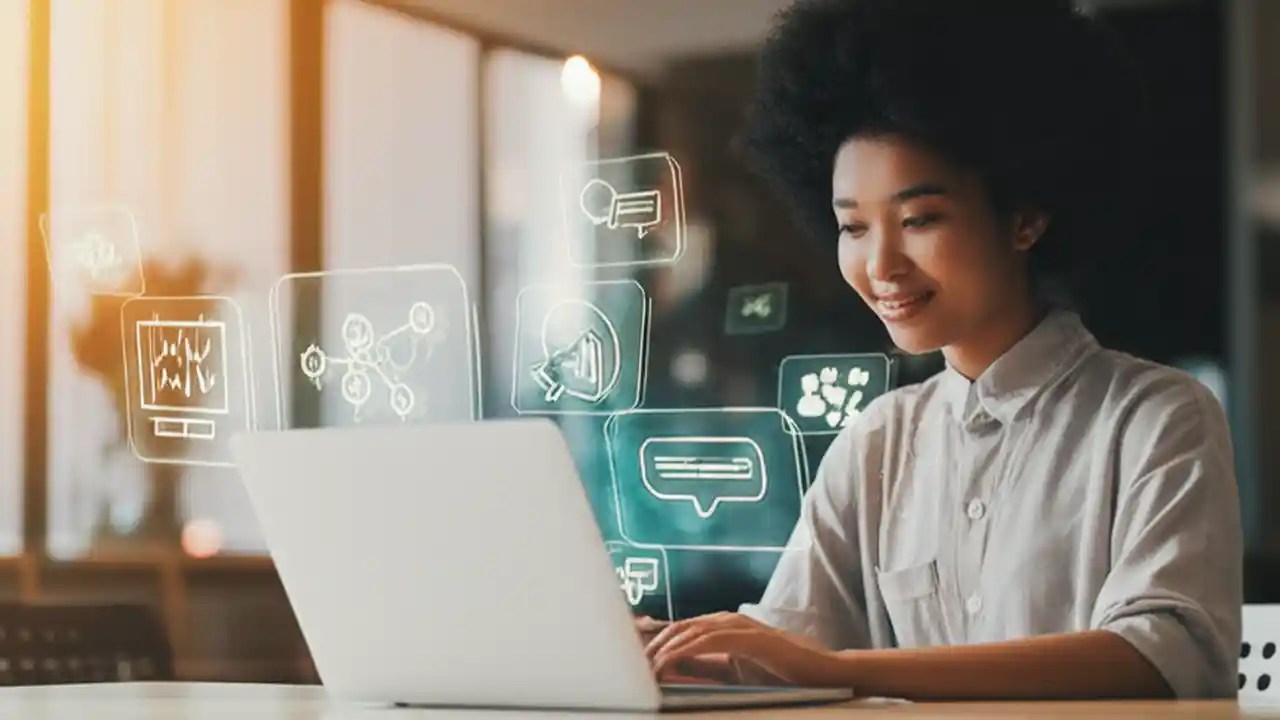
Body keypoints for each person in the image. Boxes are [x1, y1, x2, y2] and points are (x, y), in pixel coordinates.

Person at [641, 0, 1242, 700]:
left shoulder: (1157, 419)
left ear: (1025, 214)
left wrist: (844, 670)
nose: (881, 264)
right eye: (854, 228)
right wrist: (662, 648)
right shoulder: (878, 443)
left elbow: (1160, 659)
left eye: (919, 219)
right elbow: (783, 649)